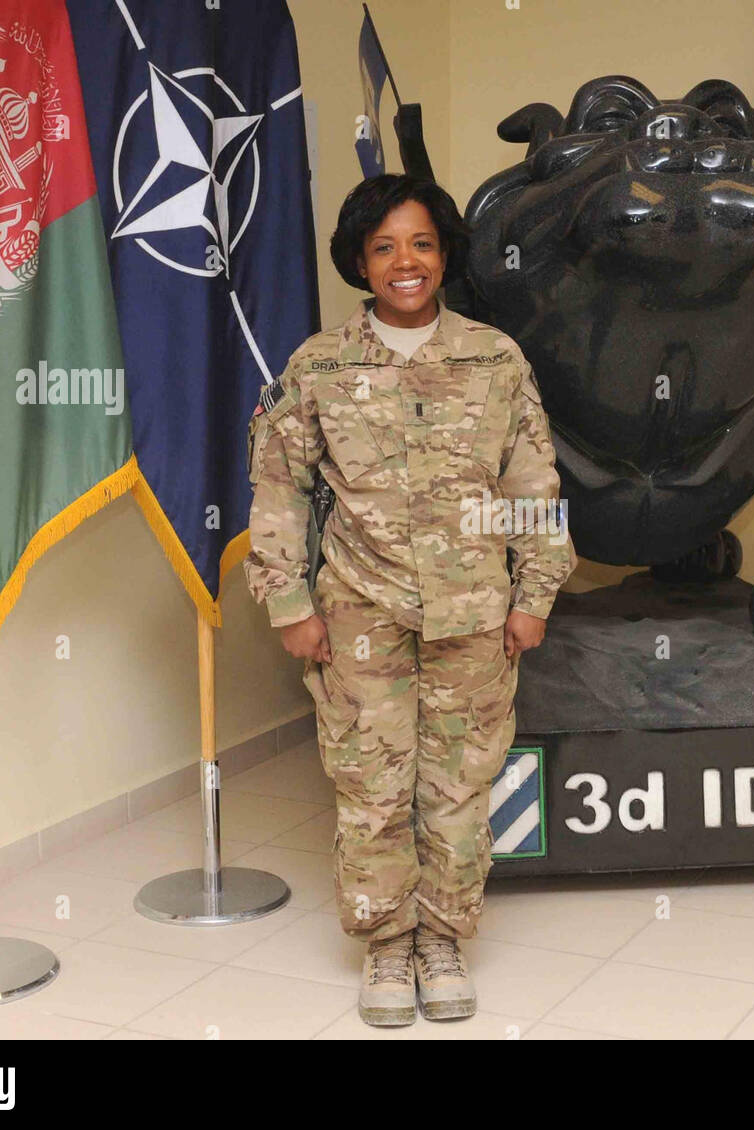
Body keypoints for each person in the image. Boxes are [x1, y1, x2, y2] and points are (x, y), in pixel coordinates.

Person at [244, 174, 576, 1026]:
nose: (405, 262)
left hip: (475, 616)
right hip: (359, 614)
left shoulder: (494, 358)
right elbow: (279, 489)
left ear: (444, 255)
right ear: (360, 259)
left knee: (459, 786)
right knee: (371, 785)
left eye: (422, 244)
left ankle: (443, 937)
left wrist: (534, 593)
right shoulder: (317, 367)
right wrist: (288, 603)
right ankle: (386, 945)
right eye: (385, 246)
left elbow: (533, 482)